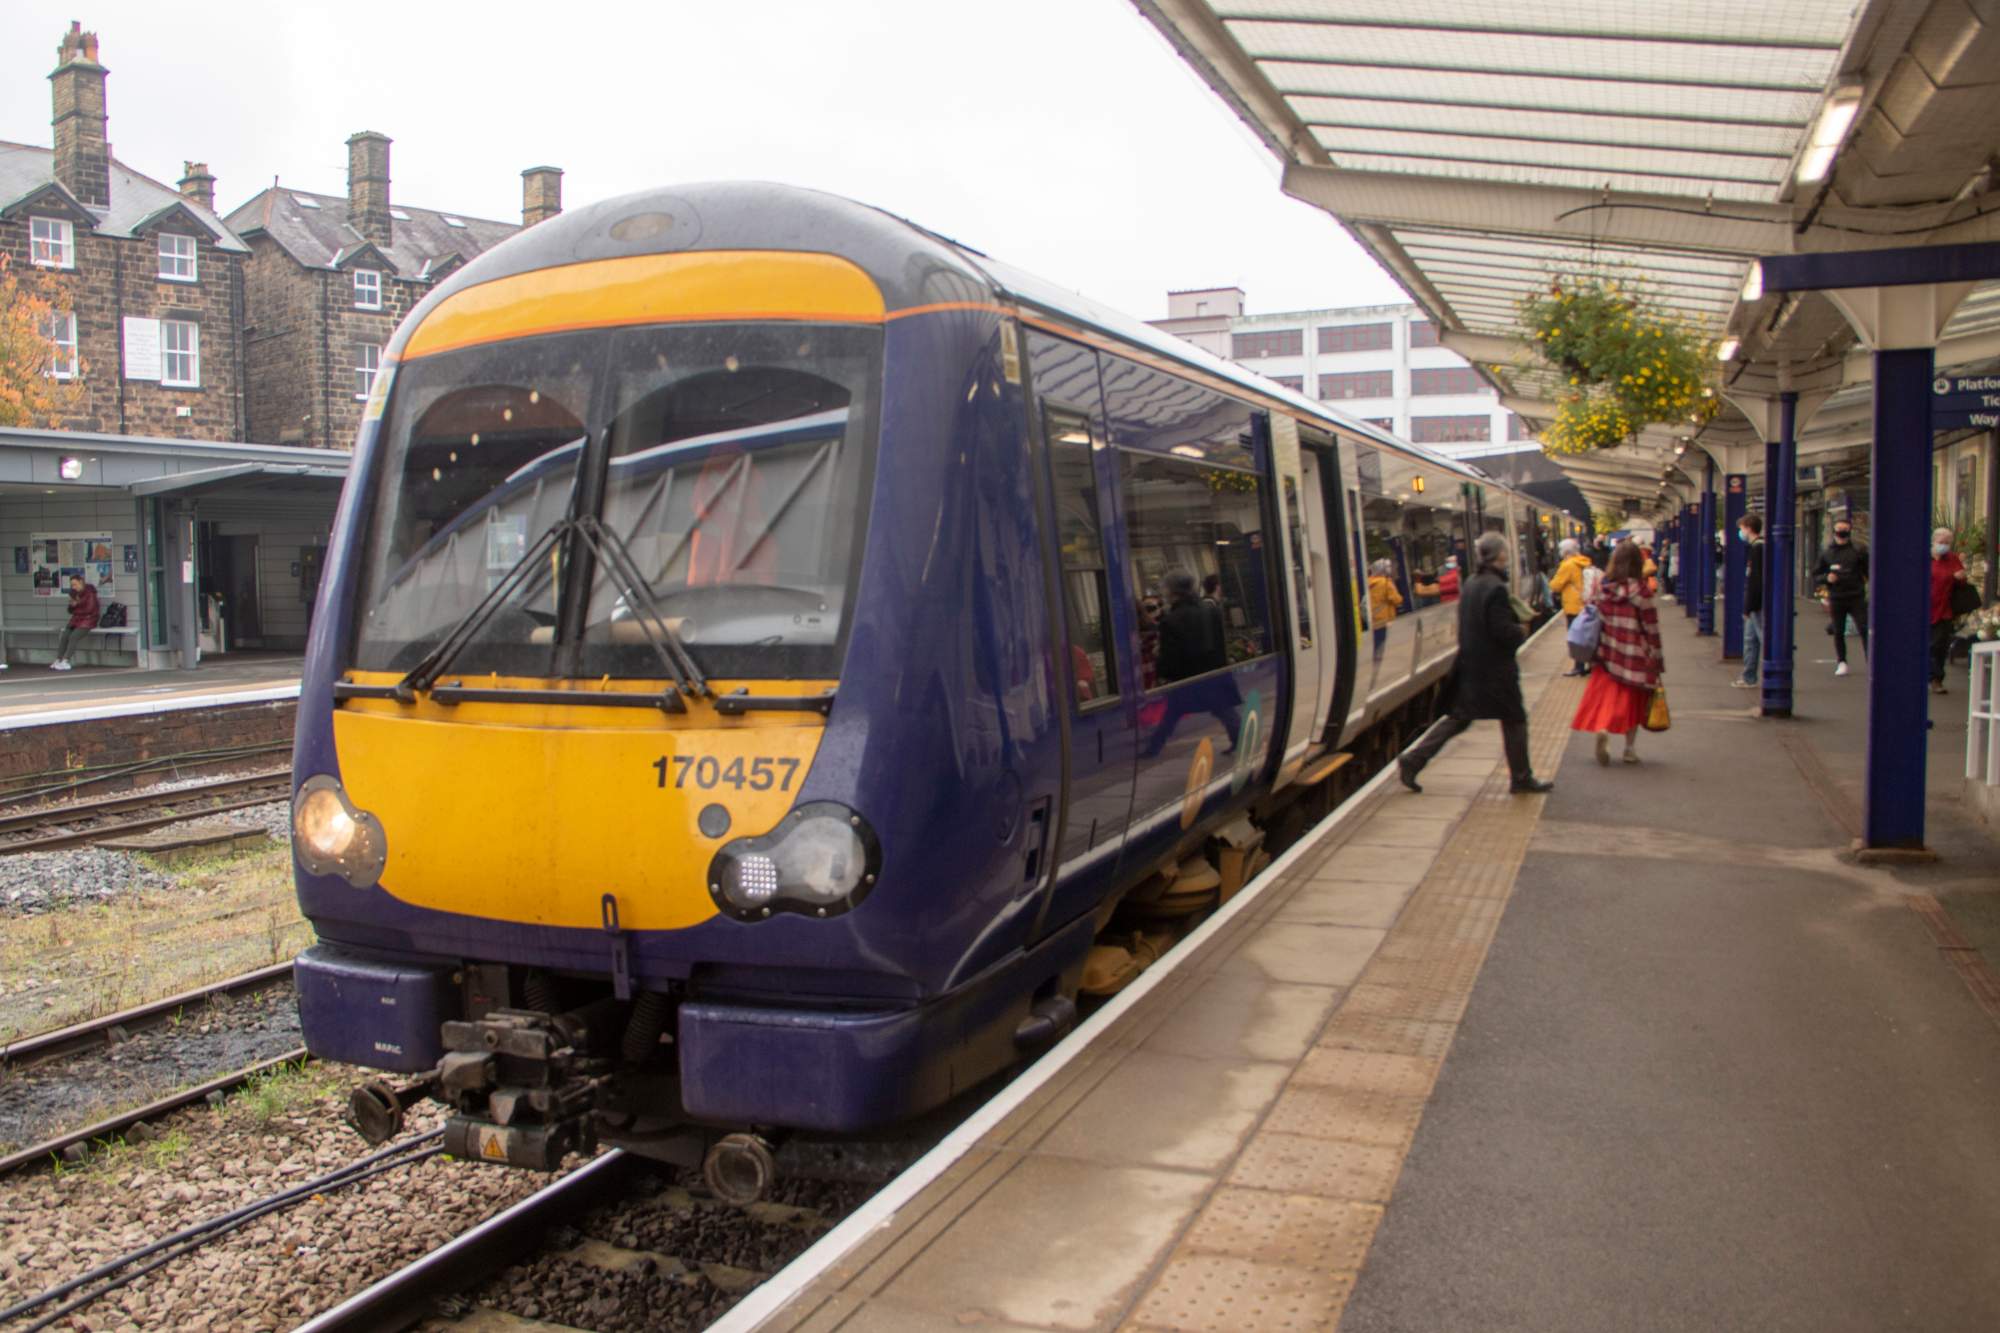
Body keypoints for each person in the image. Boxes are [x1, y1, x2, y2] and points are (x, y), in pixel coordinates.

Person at [1397, 533, 1553, 796]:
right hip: (1495, 670)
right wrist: (1520, 631)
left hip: (1471, 664)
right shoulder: (1496, 588)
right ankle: (1521, 778)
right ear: (1501, 556)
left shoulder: (1471, 583)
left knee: (1460, 718)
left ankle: (1414, 759)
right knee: (1515, 719)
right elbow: (1501, 631)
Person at [1571, 539, 1664, 766]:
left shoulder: (1604, 589)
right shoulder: (1642, 592)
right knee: (1633, 702)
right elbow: (1651, 629)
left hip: (1606, 652)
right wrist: (1657, 659)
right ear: (1637, 562)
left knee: (1606, 698)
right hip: (1635, 655)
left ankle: (1602, 728)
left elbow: (1594, 617)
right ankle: (1629, 749)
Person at [1812, 519, 1868, 675]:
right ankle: (1842, 661)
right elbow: (1816, 574)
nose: (1842, 532)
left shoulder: (1858, 551)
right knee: (1838, 630)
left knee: (1864, 627)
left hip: (1856, 595)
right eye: (1839, 529)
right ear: (1835, 531)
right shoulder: (1827, 553)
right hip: (1837, 596)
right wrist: (1826, 578)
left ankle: (1870, 660)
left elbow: (1868, 571)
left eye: (1845, 529)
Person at [1930, 527, 1969, 694]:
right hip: (1925, 608)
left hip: (1944, 609)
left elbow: (1961, 584)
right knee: (1926, 645)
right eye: (1941, 542)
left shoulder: (1952, 559)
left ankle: (1937, 679)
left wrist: (1961, 577)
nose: (1944, 546)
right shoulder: (1925, 558)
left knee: (1939, 646)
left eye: (1947, 543)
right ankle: (1929, 675)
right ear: (1933, 542)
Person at [1548, 538, 1594, 678]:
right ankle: (1588, 664)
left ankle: (1578, 667)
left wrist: (1553, 582)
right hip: (1584, 603)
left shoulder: (1567, 565)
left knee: (1575, 638)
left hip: (1573, 606)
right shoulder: (1583, 561)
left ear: (1565, 552)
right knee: (1585, 637)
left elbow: (1556, 585)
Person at [1733, 514, 1765, 689]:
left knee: (1760, 638)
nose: (1740, 532)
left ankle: (1766, 675)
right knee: (1750, 640)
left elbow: (1756, 580)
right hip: (1755, 603)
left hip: (1757, 604)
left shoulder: (1758, 549)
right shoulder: (1757, 547)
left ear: (1748, 528)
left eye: (1741, 528)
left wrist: (1749, 606)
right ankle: (1748, 677)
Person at [51, 573, 99, 671]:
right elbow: (70, 611)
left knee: (73, 636)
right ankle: (58, 659)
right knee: (64, 636)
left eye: (75, 584)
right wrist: (72, 605)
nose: (73, 587)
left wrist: (77, 605)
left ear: (81, 582)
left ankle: (66, 660)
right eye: (72, 585)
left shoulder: (90, 593)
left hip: (88, 620)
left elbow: (89, 609)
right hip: (76, 620)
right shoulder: (74, 594)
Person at [1367, 558, 1402, 661]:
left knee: (1376, 638)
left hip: (1372, 617)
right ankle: (1378, 657)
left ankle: (1375, 655)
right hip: (1383, 617)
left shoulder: (1368, 582)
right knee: (1381, 639)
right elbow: (1396, 599)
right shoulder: (1386, 583)